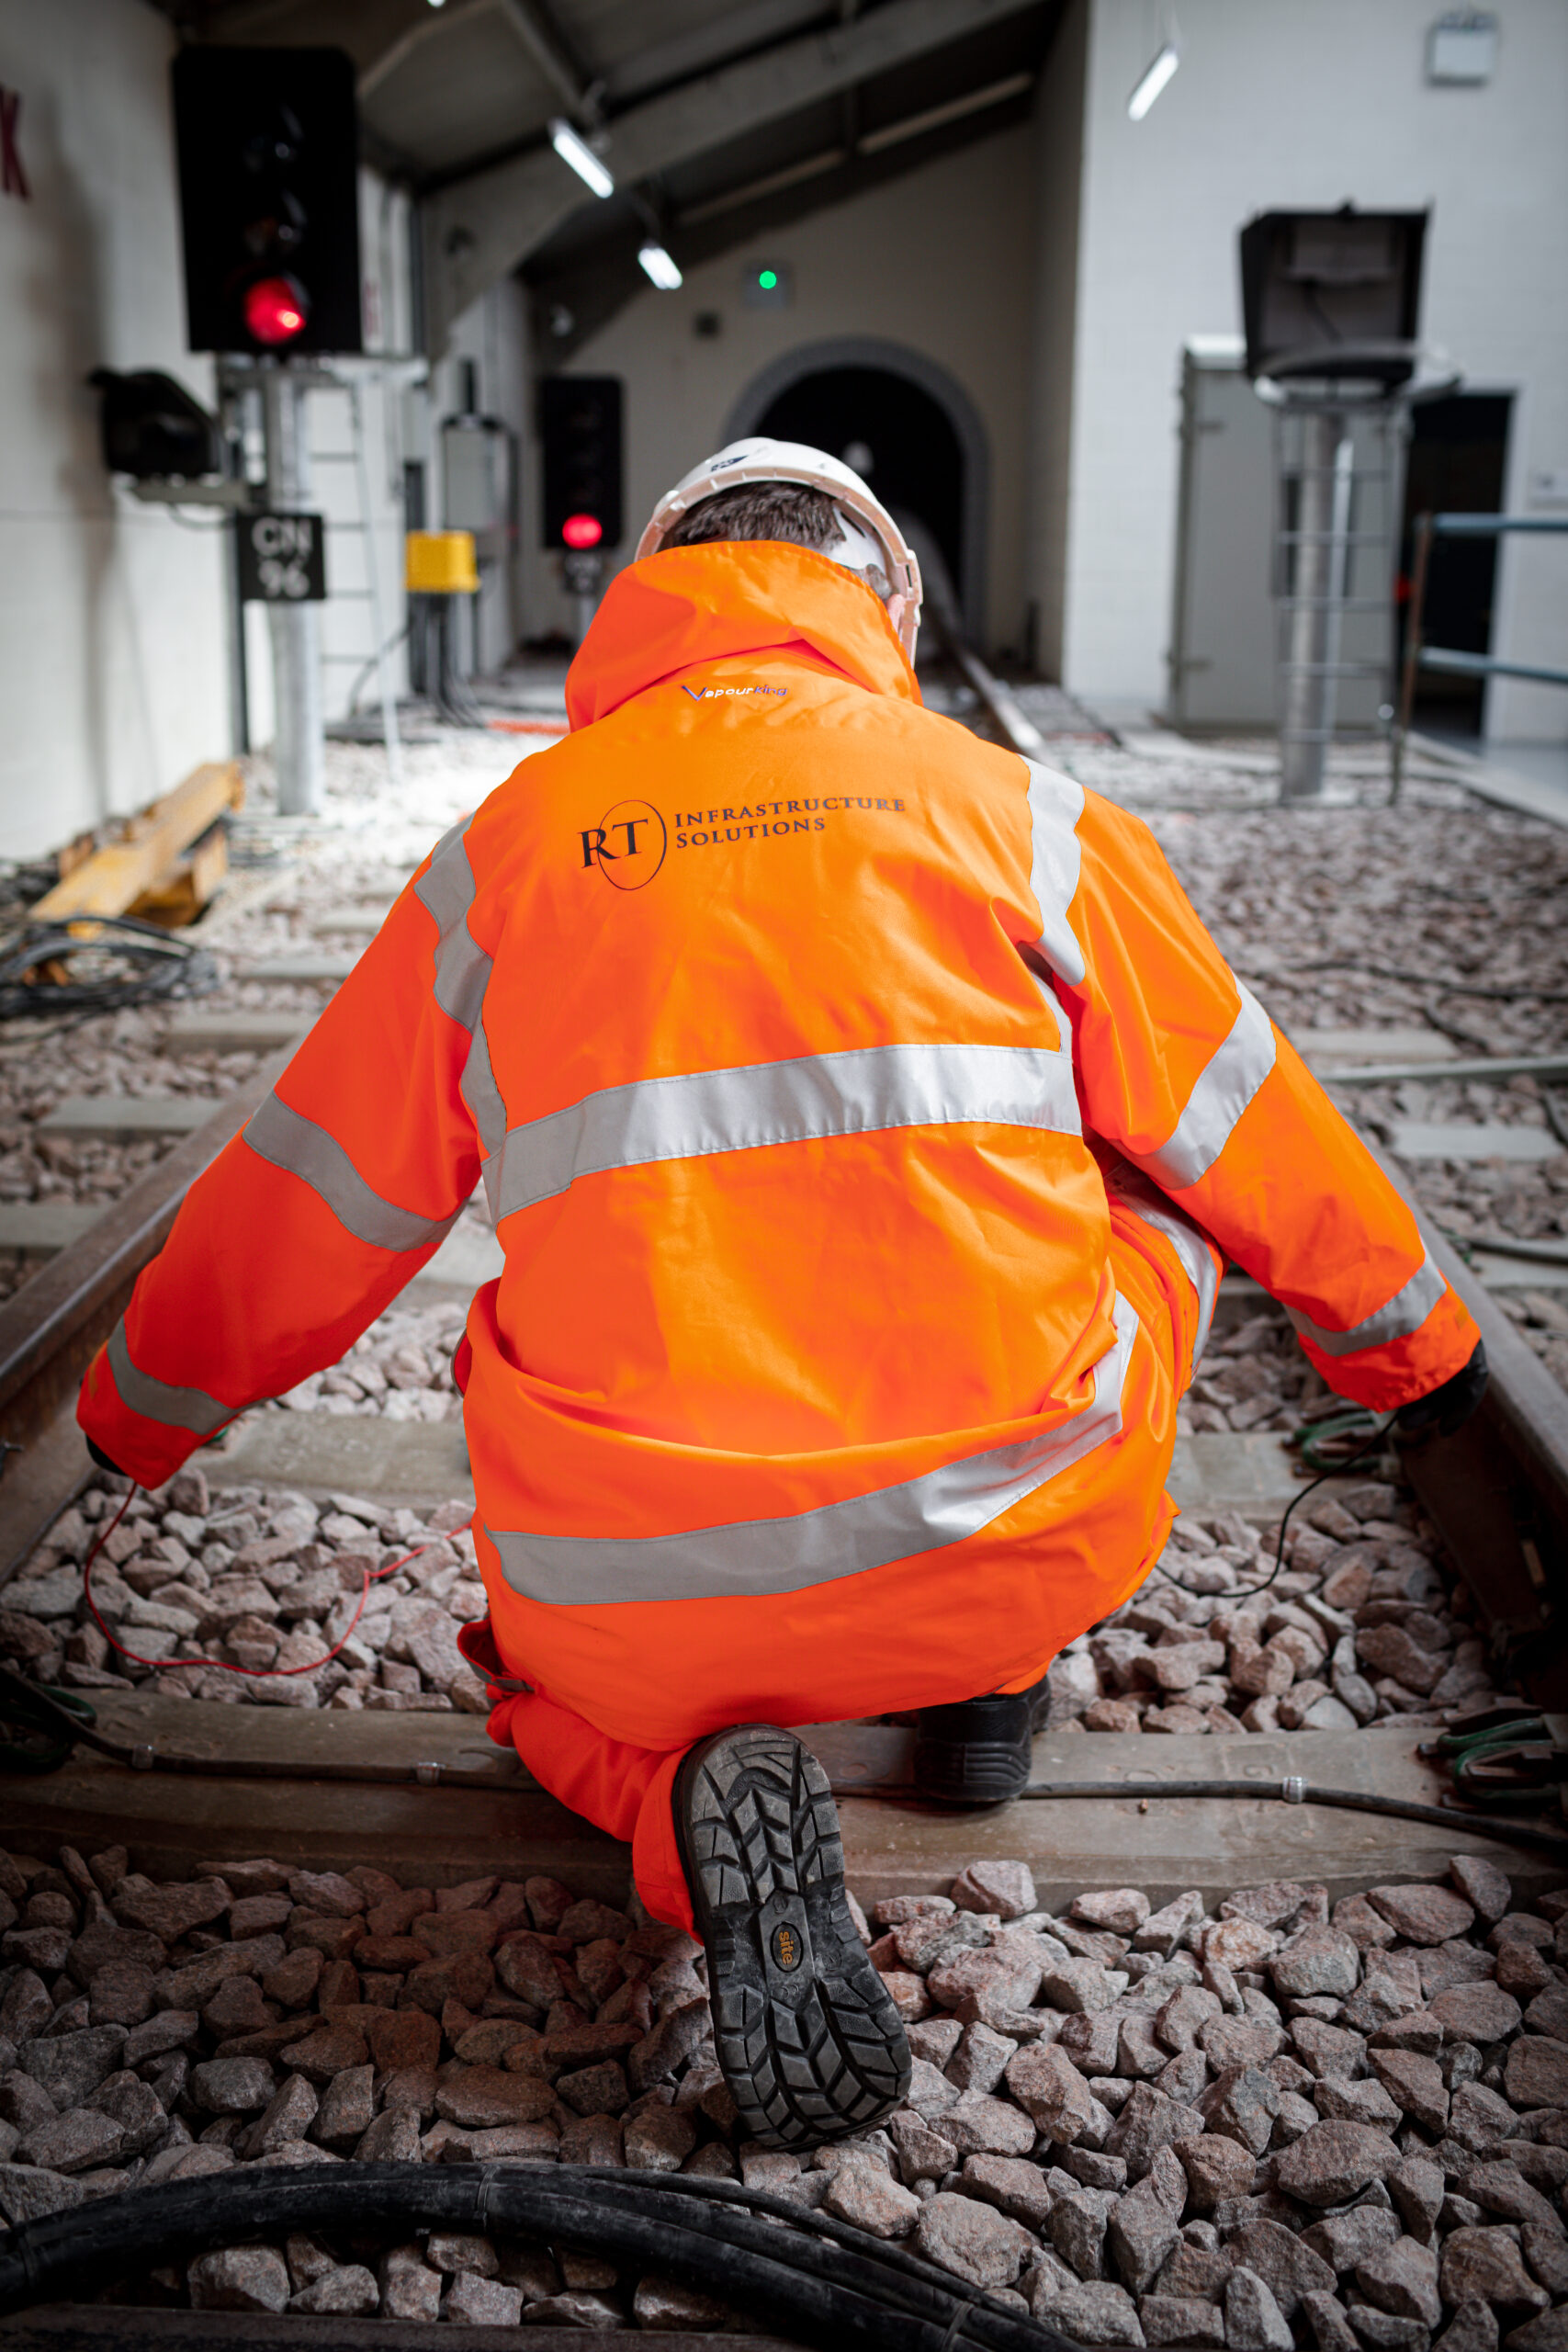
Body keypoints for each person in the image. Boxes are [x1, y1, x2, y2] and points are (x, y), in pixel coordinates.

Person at [78, 436, 1486, 2152]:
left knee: (532, 1686)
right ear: (878, 603)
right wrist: (1416, 1350)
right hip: (1014, 1529)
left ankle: (680, 1800)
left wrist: (135, 1413)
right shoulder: (1017, 814)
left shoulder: (507, 851)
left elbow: (310, 1198)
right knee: (1148, 1182)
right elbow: (1258, 1127)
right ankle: (987, 1673)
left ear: (657, 592)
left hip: (634, 1600)